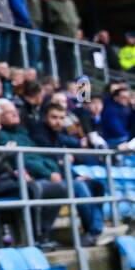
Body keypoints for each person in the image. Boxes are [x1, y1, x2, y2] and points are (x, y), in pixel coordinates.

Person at [0, 106, 65, 248]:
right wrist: (6, 153)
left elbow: (4, 166)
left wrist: (18, 173)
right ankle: (35, 238)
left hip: (8, 183)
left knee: (57, 189)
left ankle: (44, 234)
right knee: (33, 189)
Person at [30, 99, 104, 246]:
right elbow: (47, 161)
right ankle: (92, 232)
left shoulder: (58, 135)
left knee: (96, 185)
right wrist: (61, 163)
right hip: (46, 178)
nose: (58, 122)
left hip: (61, 175)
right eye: (54, 117)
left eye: (61, 118)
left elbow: (62, 162)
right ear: (45, 118)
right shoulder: (38, 132)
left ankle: (95, 230)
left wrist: (76, 175)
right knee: (79, 186)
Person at [99, 81, 135, 147]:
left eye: (128, 97)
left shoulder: (128, 109)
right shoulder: (111, 111)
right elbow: (118, 131)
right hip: (113, 140)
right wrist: (131, 139)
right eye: (124, 97)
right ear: (116, 98)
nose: (127, 100)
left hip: (124, 138)